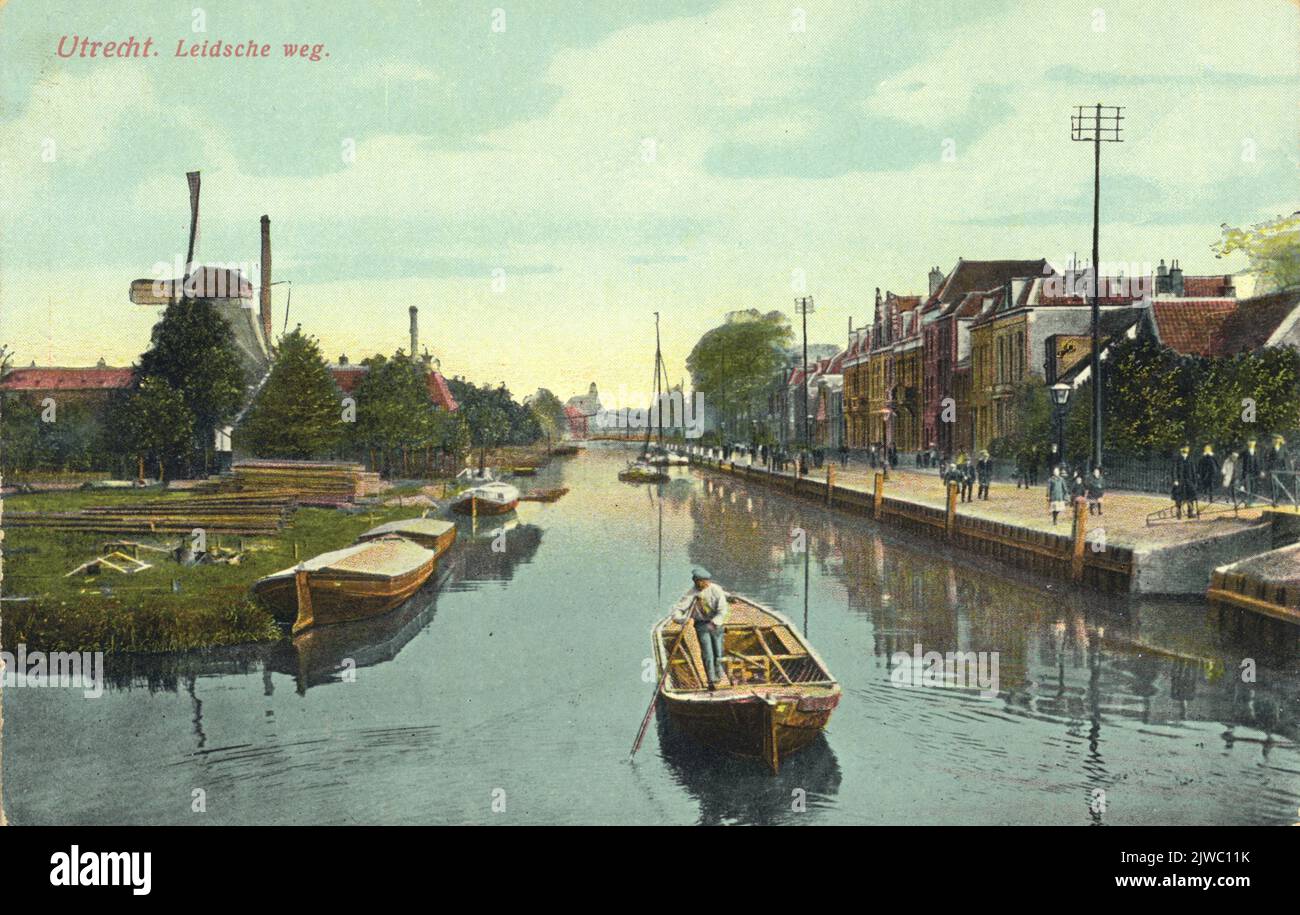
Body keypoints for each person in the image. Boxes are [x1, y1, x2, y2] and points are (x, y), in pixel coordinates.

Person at [670, 568, 730, 690]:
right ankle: (711, 679)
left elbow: (723, 611)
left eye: (702, 582)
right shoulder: (692, 593)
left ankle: (719, 674)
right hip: (701, 625)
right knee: (707, 652)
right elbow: (678, 609)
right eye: (697, 582)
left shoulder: (716, 590)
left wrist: (714, 623)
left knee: (718, 651)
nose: (700, 584)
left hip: (716, 624)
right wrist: (682, 619)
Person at [1171, 444, 1197, 519]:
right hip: (1180, 481)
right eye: (1184, 449)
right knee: (1179, 497)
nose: (1186, 450)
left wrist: (1194, 481)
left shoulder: (1190, 459)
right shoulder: (1177, 459)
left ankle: (1190, 512)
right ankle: (1178, 513)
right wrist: (1175, 480)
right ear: (1181, 450)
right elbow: (1174, 470)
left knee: (1191, 496)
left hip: (1189, 481)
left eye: (1187, 449)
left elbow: (1193, 471)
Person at [1265, 434, 1290, 506]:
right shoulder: (1270, 449)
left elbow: (1287, 458)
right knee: (1274, 485)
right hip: (1273, 470)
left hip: (1281, 469)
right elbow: (1267, 459)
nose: (1276, 440)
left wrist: (1287, 468)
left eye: (1277, 439)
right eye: (1274, 439)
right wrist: (1267, 468)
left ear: (1280, 440)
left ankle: (1278, 500)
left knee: (1281, 485)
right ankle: (1274, 501)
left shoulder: (1284, 448)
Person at [1239, 438, 1261, 507]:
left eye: (1253, 441)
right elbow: (1238, 457)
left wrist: (1260, 471)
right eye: (1250, 441)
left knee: (1254, 487)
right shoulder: (1245, 452)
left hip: (1255, 472)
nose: (1251, 443)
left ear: (1255, 443)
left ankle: (1251, 502)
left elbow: (1259, 462)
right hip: (1246, 472)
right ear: (1248, 443)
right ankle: (1247, 502)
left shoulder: (1257, 452)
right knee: (1247, 487)